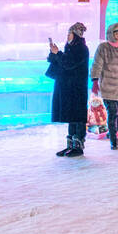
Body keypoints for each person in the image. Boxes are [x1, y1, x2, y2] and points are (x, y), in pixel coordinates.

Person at [48, 22, 90, 157]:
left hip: (77, 88)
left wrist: (58, 53)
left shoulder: (81, 49)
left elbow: (69, 63)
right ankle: (71, 145)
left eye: (70, 34)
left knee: (77, 116)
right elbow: (63, 61)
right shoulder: (71, 48)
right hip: (69, 87)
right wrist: (54, 53)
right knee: (72, 115)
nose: (67, 36)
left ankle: (78, 146)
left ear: (76, 35)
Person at [91, 22, 118, 149]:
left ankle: (111, 132)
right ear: (111, 34)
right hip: (108, 86)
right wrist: (95, 81)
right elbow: (97, 64)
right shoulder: (103, 47)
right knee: (113, 112)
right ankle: (113, 140)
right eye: (116, 33)